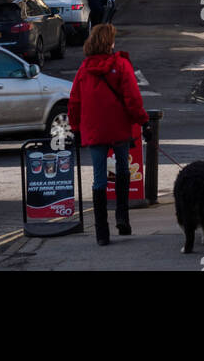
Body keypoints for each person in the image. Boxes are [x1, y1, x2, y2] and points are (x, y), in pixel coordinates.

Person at [68, 22, 149, 245]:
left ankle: (101, 233)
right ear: (109, 42)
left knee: (99, 179)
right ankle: (122, 217)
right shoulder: (121, 65)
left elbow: (74, 102)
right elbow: (133, 99)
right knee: (123, 170)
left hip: (94, 130)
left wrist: (74, 128)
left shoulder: (84, 69)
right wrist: (144, 121)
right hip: (119, 127)